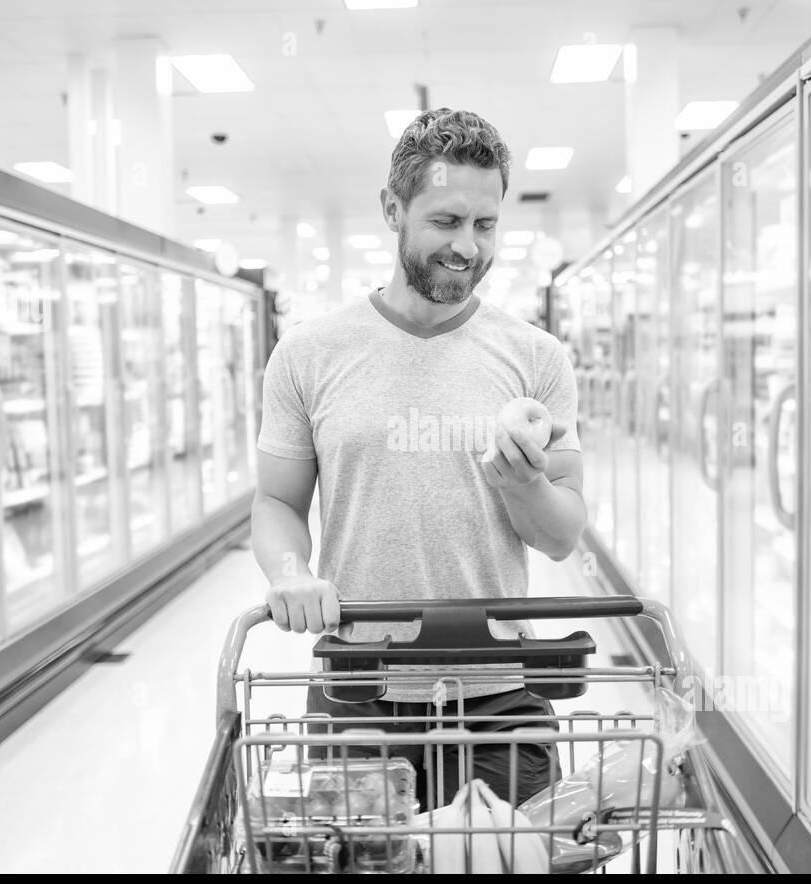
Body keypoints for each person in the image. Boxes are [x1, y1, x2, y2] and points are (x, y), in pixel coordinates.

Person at [251, 108, 586, 809]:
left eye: (485, 225)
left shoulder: (536, 358)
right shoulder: (309, 354)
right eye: (445, 221)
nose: (467, 247)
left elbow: (560, 537)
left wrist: (524, 486)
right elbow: (277, 500)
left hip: (499, 692)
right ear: (392, 209)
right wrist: (289, 570)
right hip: (358, 686)